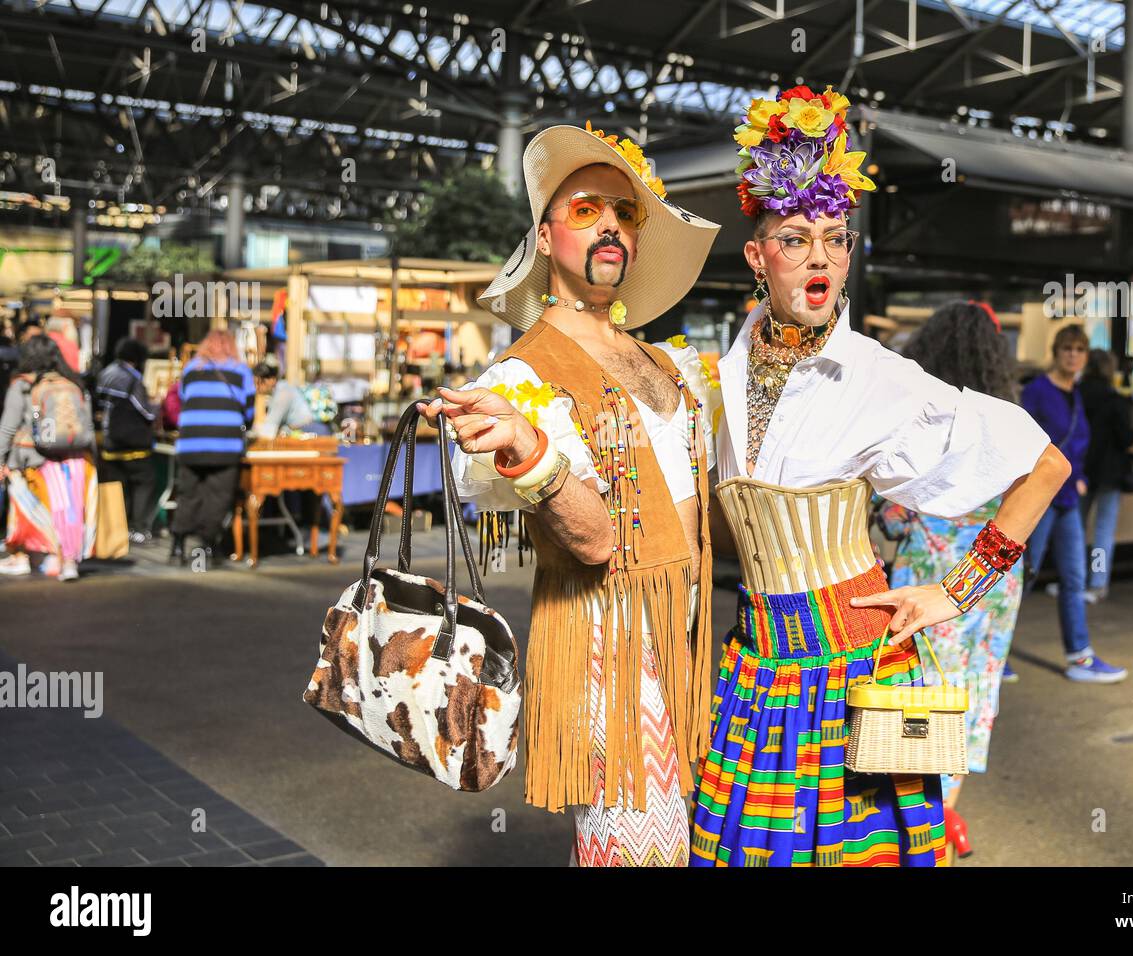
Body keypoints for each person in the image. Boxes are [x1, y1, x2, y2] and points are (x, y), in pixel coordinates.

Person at [690, 84, 1070, 869]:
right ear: (758, 257)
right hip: (753, 665)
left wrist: (954, 592)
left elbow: (1044, 463)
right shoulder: (729, 366)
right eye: (796, 238)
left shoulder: (879, 376)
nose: (821, 256)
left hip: (848, 668)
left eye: (835, 238)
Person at [419, 121, 721, 866]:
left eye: (625, 212)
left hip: (687, 644)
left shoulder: (667, 362)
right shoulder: (521, 378)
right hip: (605, 649)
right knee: (636, 853)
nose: (610, 225)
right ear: (546, 238)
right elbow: (593, 540)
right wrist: (528, 449)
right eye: (586, 210)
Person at [873, 299, 1031, 859]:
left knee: (920, 690)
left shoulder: (922, 419)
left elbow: (893, 517)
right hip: (992, 575)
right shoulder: (1010, 423)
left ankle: (917, 820)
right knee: (974, 688)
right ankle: (946, 813)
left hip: (928, 571)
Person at [1021, 324, 1128, 683]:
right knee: (1024, 576)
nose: (1073, 355)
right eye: (1067, 348)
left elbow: (1077, 444)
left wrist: (1078, 476)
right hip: (1041, 496)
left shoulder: (1077, 393)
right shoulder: (1037, 390)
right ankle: (994, 650)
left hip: (1067, 497)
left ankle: (1080, 656)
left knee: (1074, 577)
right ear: (1056, 351)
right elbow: (1027, 439)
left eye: (1079, 349)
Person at [0, 335, 97, 581]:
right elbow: (87, 425)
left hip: (34, 461)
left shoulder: (23, 385)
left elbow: (7, 428)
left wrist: (1, 461)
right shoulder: (73, 384)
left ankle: (25, 556)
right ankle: (68, 561)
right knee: (68, 512)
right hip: (75, 459)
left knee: (30, 513)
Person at [169, 329, 253, 567]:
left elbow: (184, 398)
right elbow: (249, 410)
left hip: (190, 442)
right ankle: (207, 545)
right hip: (224, 443)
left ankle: (177, 546)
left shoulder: (191, 369)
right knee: (218, 495)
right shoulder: (241, 370)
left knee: (188, 493)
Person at [1079, 348, 1133, 601]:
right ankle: (1097, 583)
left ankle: (1075, 579)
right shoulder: (1115, 400)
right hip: (1110, 472)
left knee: (1076, 528)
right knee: (1103, 531)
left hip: (1080, 469)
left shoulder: (1075, 395)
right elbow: (1127, 438)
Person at [97, 338, 159, 544]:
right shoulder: (133, 379)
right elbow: (147, 412)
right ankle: (139, 528)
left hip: (109, 440)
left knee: (118, 486)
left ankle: (117, 529)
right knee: (143, 482)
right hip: (133, 443)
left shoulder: (106, 373)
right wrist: (157, 404)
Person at [252, 362, 331, 438]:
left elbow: (268, 430)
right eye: (254, 383)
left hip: (313, 432)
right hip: (306, 431)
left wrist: (252, 432)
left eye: (260, 382)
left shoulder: (283, 394)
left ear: (272, 380)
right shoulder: (280, 390)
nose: (256, 387)